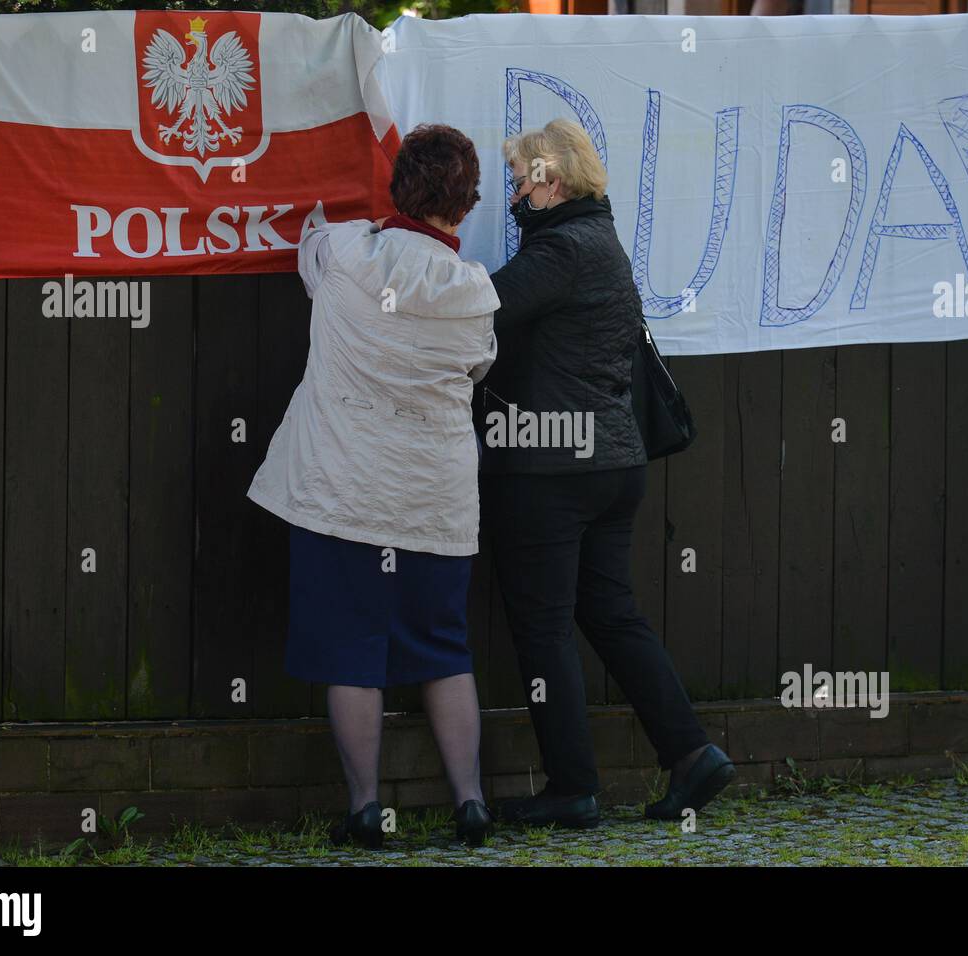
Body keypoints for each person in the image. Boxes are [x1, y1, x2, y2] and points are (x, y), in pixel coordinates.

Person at [477, 118, 736, 828]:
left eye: (519, 180)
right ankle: (690, 754)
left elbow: (478, 312)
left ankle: (572, 788)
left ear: (551, 182)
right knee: (612, 615)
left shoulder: (558, 250)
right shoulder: (603, 243)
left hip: (550, 468)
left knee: (545, 629)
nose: (512, 194)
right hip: (614, 463)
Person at [247, 124, 499, 848]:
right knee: (445, 651)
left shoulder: (346, 252)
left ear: (399, 187)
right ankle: (471, 802)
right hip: (433, 498)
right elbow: (481, 369)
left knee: (351, 656)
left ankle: (363, 809)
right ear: (467, 203)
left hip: (343, 492)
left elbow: (309, 249)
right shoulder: (476, 292)